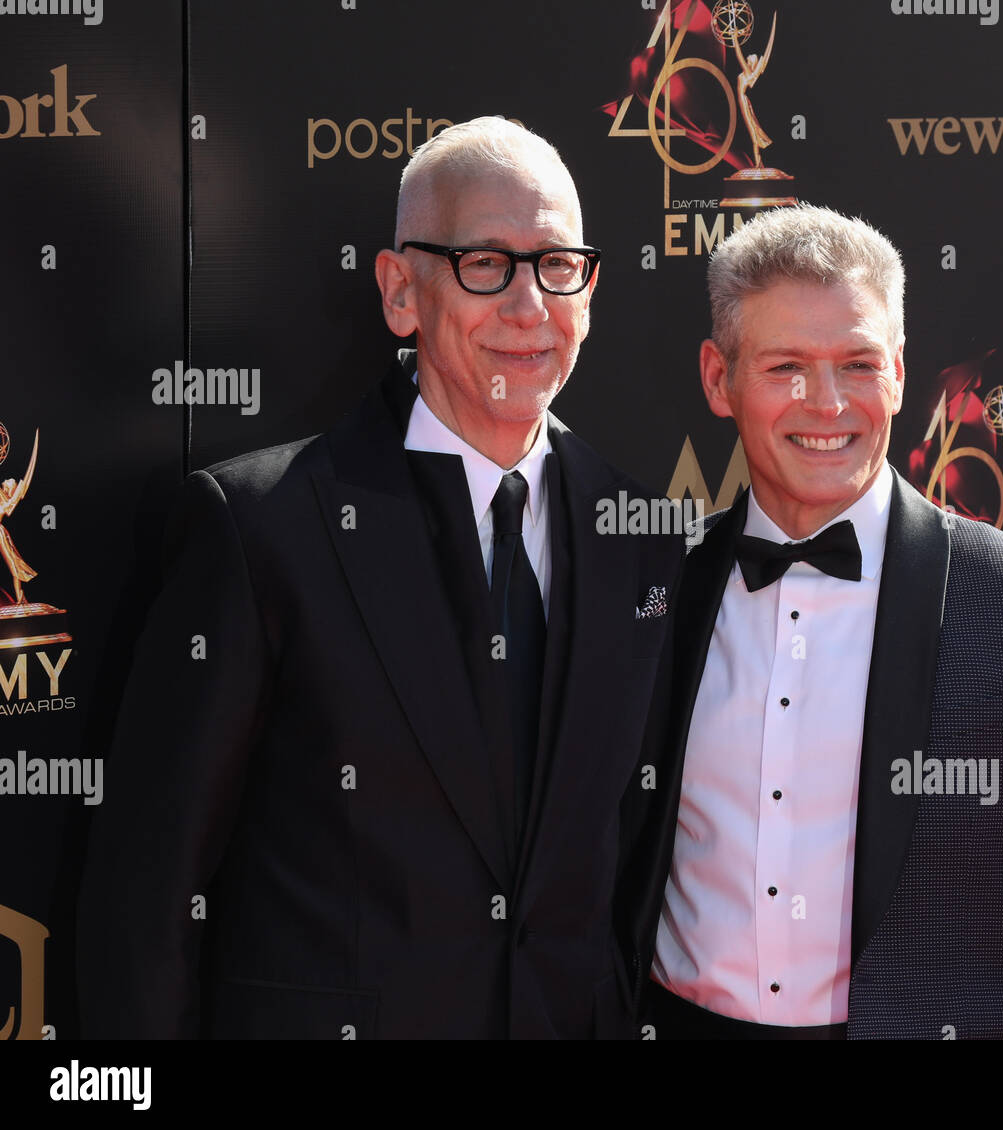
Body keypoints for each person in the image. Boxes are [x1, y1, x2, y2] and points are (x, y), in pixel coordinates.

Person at [77, 117, 681, 1039]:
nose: (529, 305)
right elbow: (145, 899)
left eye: (559, 264)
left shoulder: (643, 539)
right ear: (403, 291)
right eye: (486, 262)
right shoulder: (261, 530)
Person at [628, 203, 1003, 1039]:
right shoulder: (648, 591)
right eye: (785, 367)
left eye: (857, 363)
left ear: (897, 371)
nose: (827, 403)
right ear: (718, 377)